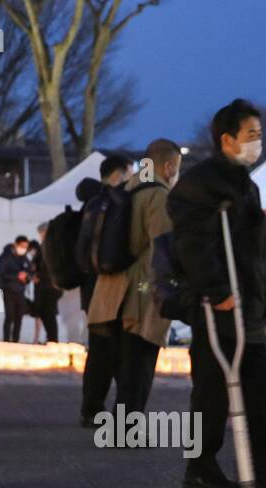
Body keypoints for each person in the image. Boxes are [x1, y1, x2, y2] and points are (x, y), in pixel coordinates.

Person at [168, 98, 266, 488]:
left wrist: (263, 294)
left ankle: (258, 463)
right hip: (216, 305)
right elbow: (193, 242)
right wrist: (217, 290)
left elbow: (253, 249)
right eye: (250, 135)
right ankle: (200, 466)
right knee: (211, 391)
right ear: (227, 139)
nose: (258, 142)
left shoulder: (246, 182)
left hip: (249, 303)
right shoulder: (202, 183)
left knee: (264, 392)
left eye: (259, 134)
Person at [87, 138, 182, 415]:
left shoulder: (126, 188)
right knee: (138, 367)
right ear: (168, 166)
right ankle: (128, 427)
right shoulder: (159, 196)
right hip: (141, 295)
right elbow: (163, 248)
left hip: (110, 292)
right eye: (177, 168)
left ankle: (105, 417)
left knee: (117, 362)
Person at [78, 153, 134, 425]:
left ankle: (91, 408)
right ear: (118, 173)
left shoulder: (90, 202)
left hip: (90, 284)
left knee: (98, 350)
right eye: (130, 171)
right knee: (119, 352)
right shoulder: (117, 201)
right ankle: (115, 413)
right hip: (112, 283)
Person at [30, 222, 61, 343]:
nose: (41, 236)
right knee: (43, 313)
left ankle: (53, 340)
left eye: (42, 233)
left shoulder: (53, 247)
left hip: (50, 286)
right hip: (43, 286)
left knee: (49, 314)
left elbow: (51, 267)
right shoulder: (43, 247)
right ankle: (51, 339)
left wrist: (38, 275)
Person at [0, 234, 31, 343]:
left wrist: (26, 278)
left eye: (26, 247)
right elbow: (2, 273)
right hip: (8, 290)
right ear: (16, 244)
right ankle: (6, 341)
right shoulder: (5, 257)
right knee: (9, 316)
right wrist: (17, 275)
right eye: (22, 246)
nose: (24, 249)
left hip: (20, 291)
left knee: (19, 317)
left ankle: (16, 341)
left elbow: (29, 272)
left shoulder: (24, 258)